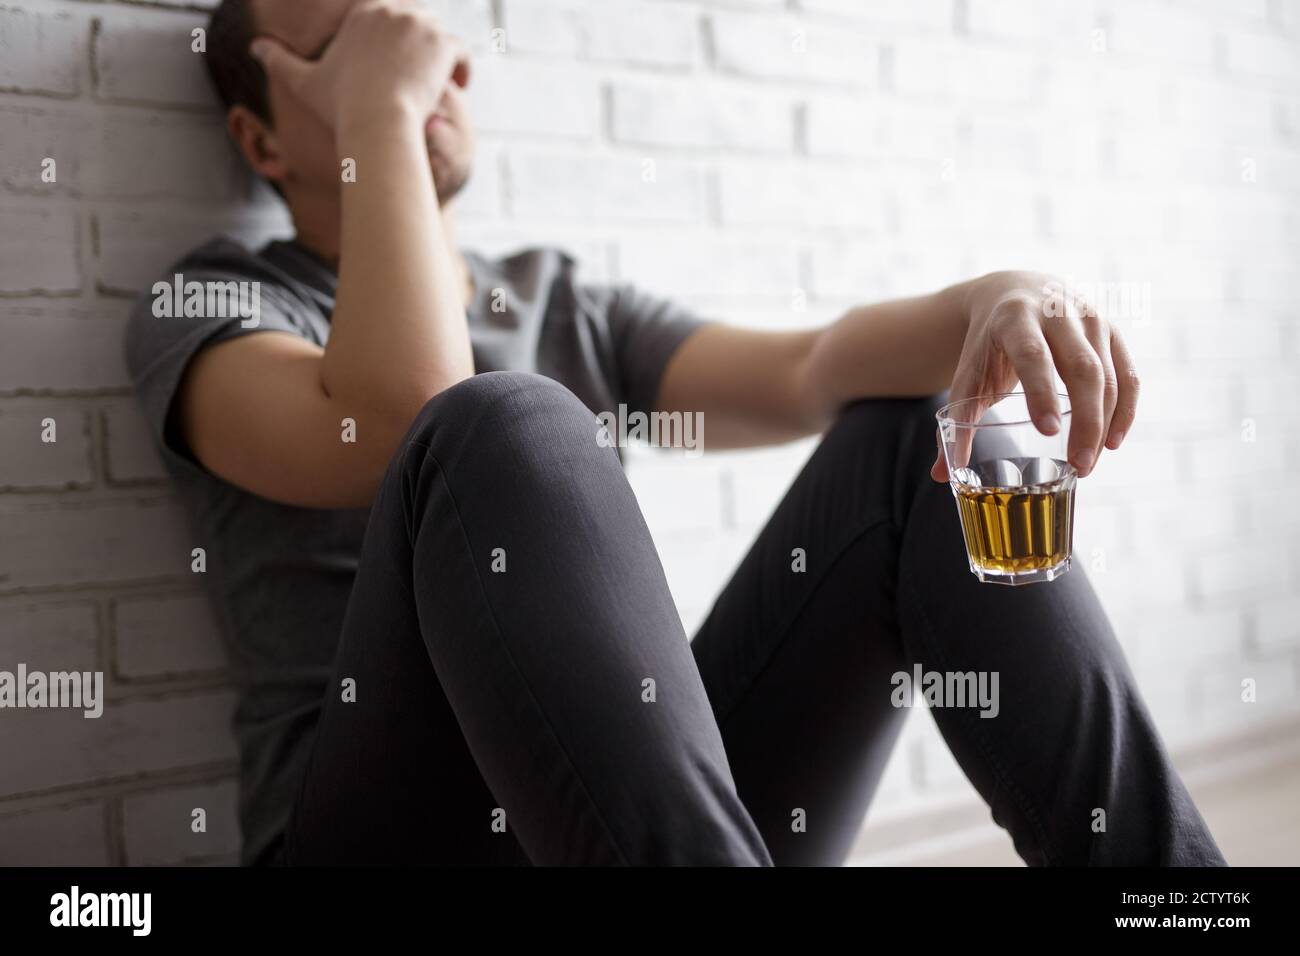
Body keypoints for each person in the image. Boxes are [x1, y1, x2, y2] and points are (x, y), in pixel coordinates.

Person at [123, 0, 1224, 867]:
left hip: (627, 828)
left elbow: (812, 368)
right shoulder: (216, 307)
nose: (416, 61)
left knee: (917, 436)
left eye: (413, 25)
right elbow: (405, 411)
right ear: (258, 137)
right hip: (393, 846)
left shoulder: (559, 301)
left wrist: (998, 295)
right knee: (496, 418)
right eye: (358, 42)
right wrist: (379, 112)